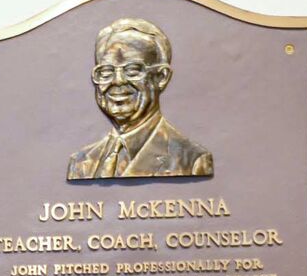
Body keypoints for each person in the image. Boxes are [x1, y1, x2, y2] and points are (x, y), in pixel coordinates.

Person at [66, 17, 214, 181]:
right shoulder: (81, 163)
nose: (118, 81)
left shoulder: (191, 161)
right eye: (106, 72)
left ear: (161, 77)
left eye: (133, 70)